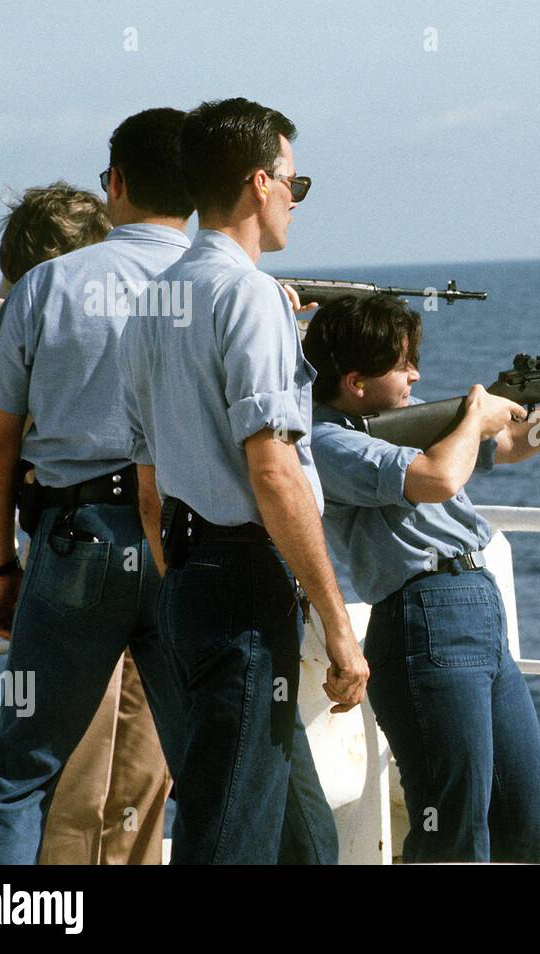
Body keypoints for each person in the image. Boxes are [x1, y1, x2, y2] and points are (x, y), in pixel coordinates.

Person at [302, 293, 540, 862]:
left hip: (477, 609)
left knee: (531, 831)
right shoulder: (328, 441)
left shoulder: (400, 420)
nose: (416, 374)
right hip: (425, 617)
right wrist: (474, 417)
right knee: (452, 834)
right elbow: (435, 478)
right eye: (403, 364)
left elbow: (516, 444)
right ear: (355, 381)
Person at [119, 97, 367, 865]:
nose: (296, 198)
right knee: (227, 833)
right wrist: (337, 623)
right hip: (244, 587)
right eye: (295, 181)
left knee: (299, 834)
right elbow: (274, 471)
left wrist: (184, 580)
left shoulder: (151, 306)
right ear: (261, 182)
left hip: (192, 580)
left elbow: (150, 486)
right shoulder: (251, 295)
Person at [0, 110, 195, 865]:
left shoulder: (43, 293)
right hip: (187, 540)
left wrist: (2, 569)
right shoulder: (222, 286)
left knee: (20, 769)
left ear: (119, 182)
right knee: (214, 763)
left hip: (76, 536)